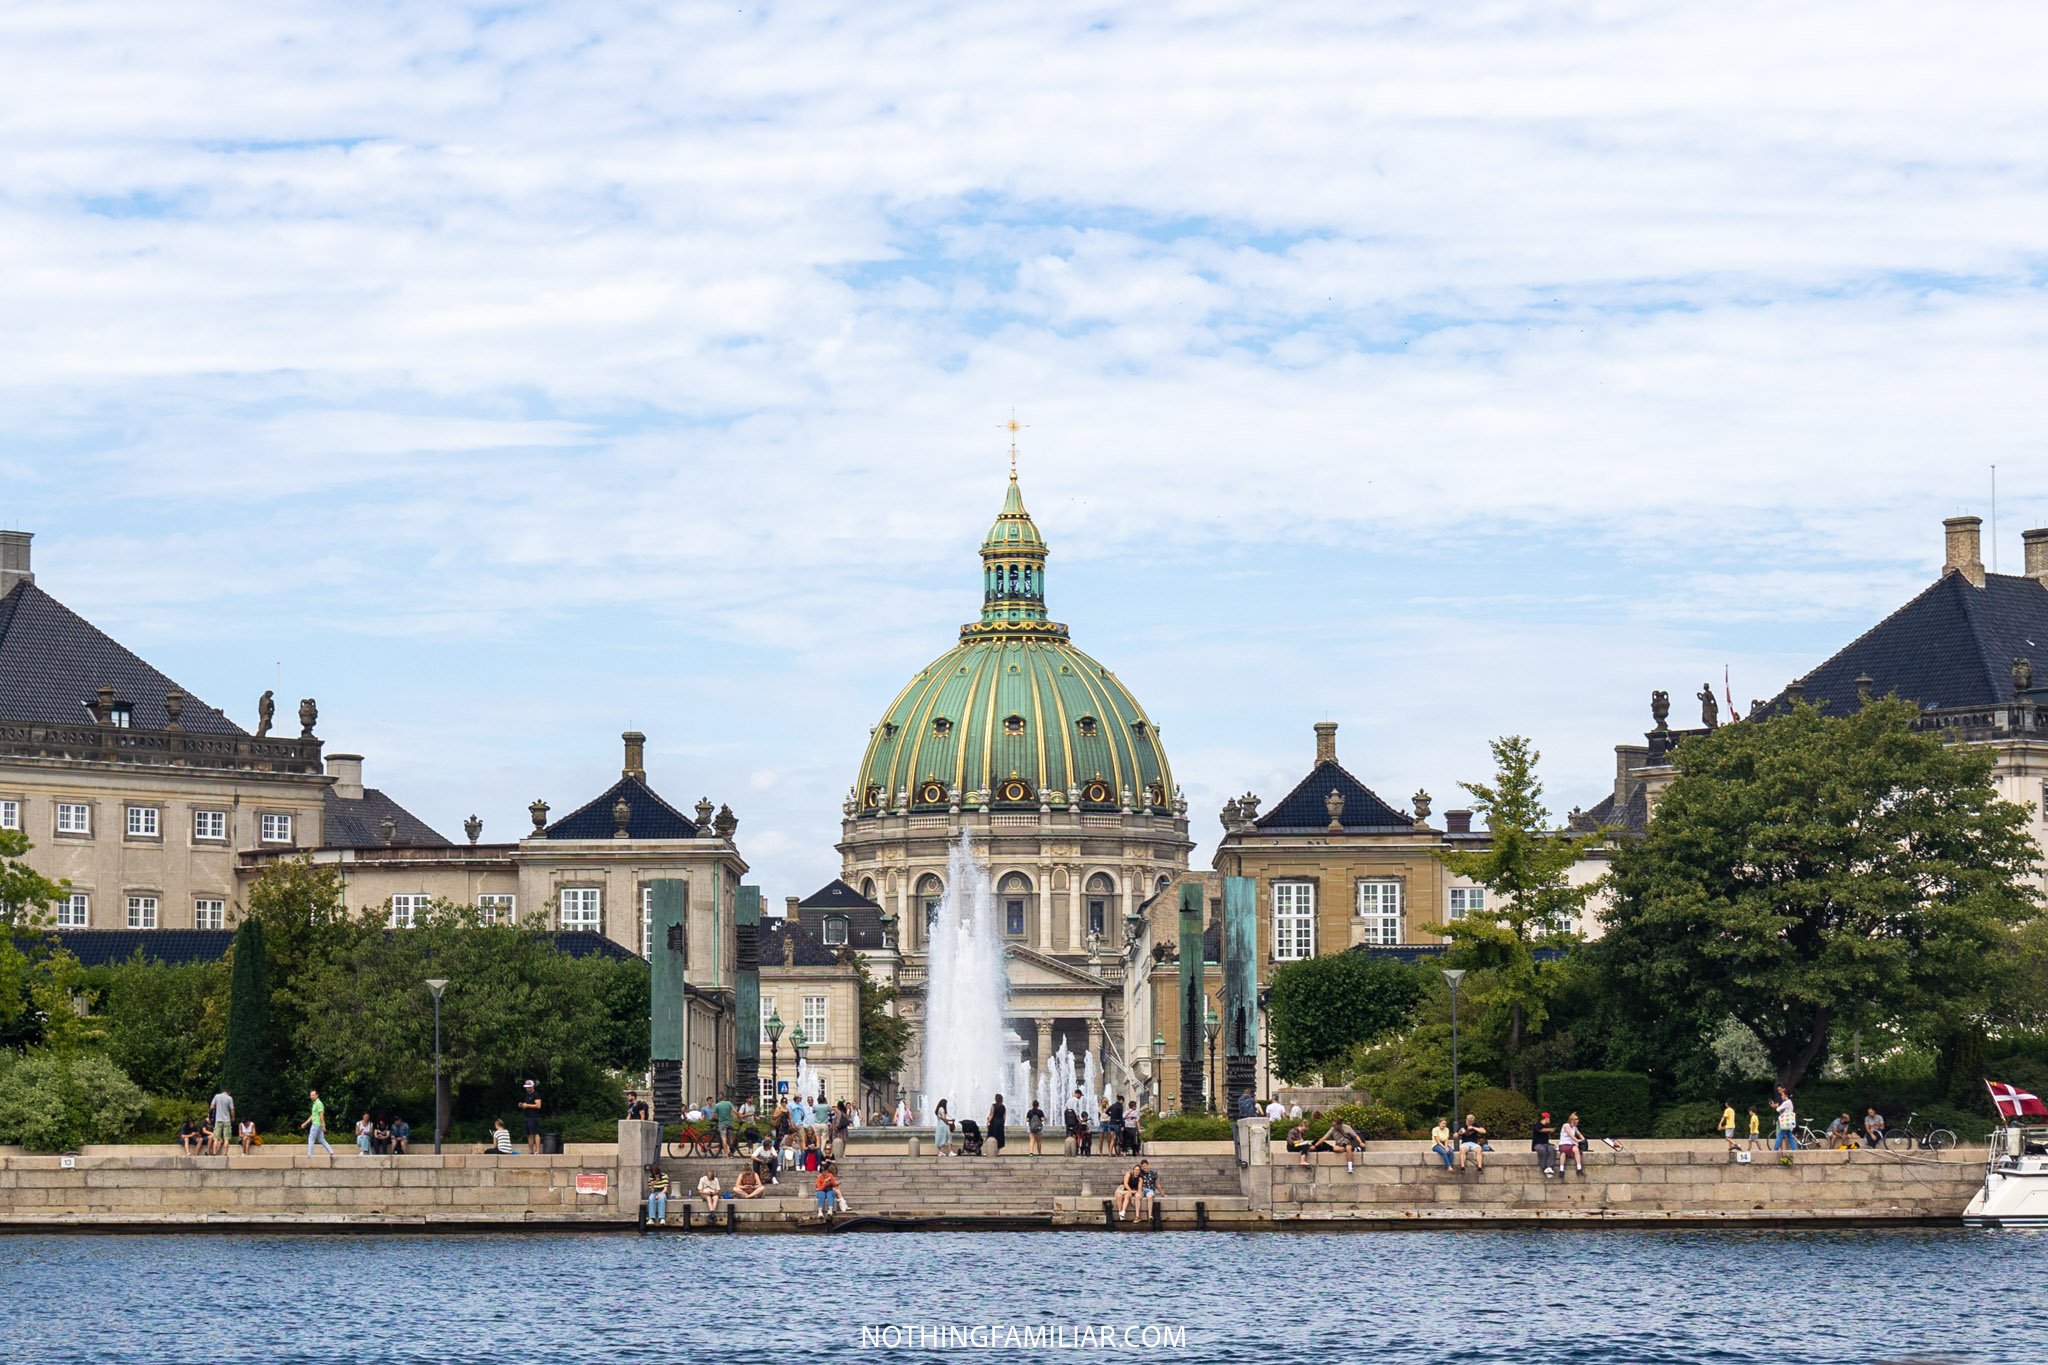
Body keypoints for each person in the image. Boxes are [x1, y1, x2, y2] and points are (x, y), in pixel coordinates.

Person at [299, 1090, 334, 1156]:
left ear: (317, 1095)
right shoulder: (315, 1103)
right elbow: (313, 1115)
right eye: (311, 1095)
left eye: (313, 1095)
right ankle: (331, 1151)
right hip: (318, 1124)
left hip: (316, 1124)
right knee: (321, 1139)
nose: (311, 1096)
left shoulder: (318, 1103)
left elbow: (321, 1115)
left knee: (311, 1138)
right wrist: (305, 1123)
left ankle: (310, 1155)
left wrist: (323, 1125)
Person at [209, 1086, 235, 1156]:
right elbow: (232, 1110)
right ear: (228, 1092)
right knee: (226, 1138)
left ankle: (214, 1152)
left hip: (218, 1120)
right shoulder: (229, 1098)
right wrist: (233, 1118)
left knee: (216, 1138)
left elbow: (211, 1106)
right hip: (227, 1120)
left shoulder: (217, 1096)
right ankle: (225, 1153)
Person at [519, 1080, 543, 1154]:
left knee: (535, 1133)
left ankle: (537, 1150)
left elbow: (538, 1105)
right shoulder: (527, 1095)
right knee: (529, 1134)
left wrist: (527, 1105)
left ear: (532, 1086)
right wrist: (522, 1105)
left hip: (533, 1117)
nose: (527, 1088)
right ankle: (531, 1151)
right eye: (526, 1087)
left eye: (529, 1087)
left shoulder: (536, 1094)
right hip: (527, 1116)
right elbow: (527, 1105)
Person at [1532, 1111, 1558, 1177]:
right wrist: (1549, 1129)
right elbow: (1539, 1130)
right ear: (1546, 1118)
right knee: (1542, 1150)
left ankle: (1550, 1167)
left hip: (1546, 1144)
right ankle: (1544, 1168)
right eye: (1549, 1119)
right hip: (1538, 1144)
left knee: (1552, 1149)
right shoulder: (1537, 1125)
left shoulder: (1547, 1126)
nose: (1549, 1120)